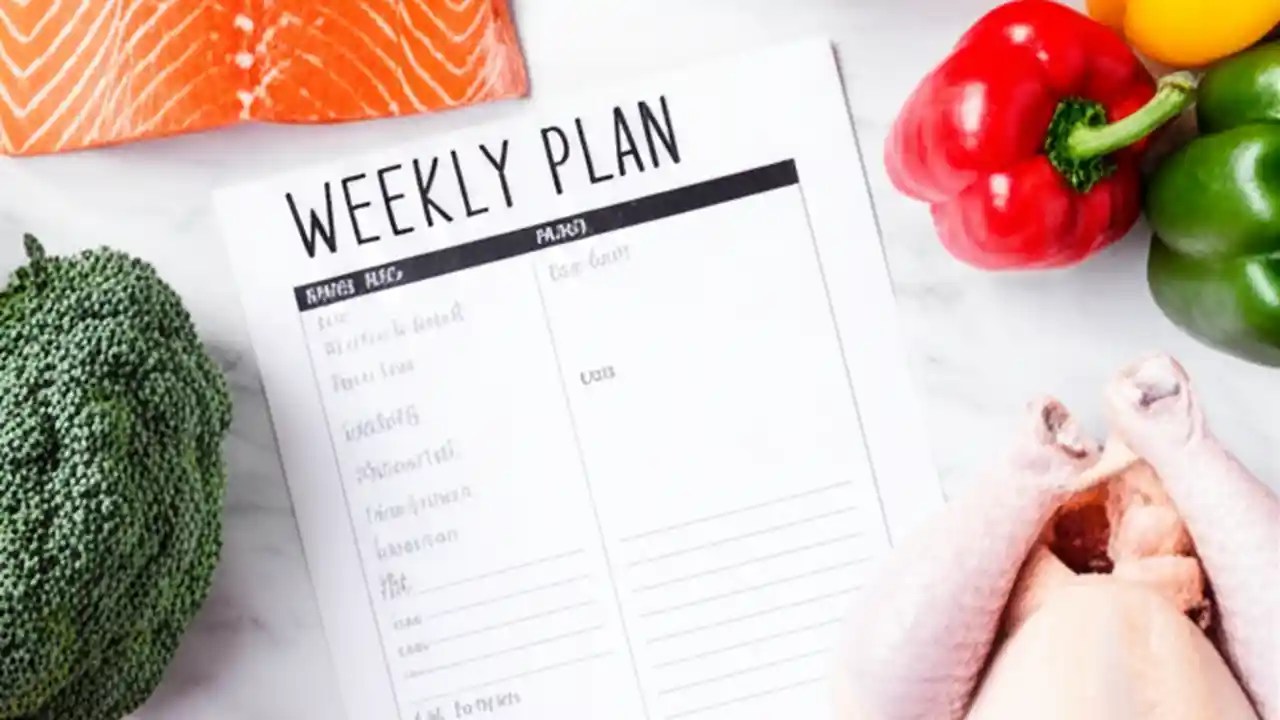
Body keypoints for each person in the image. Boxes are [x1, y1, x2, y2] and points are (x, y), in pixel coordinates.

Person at [835, 354, 1278, 720]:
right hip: (1218, 663)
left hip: (1012, 653)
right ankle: (1183, 445)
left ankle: (1029, 476)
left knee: (879, 697)